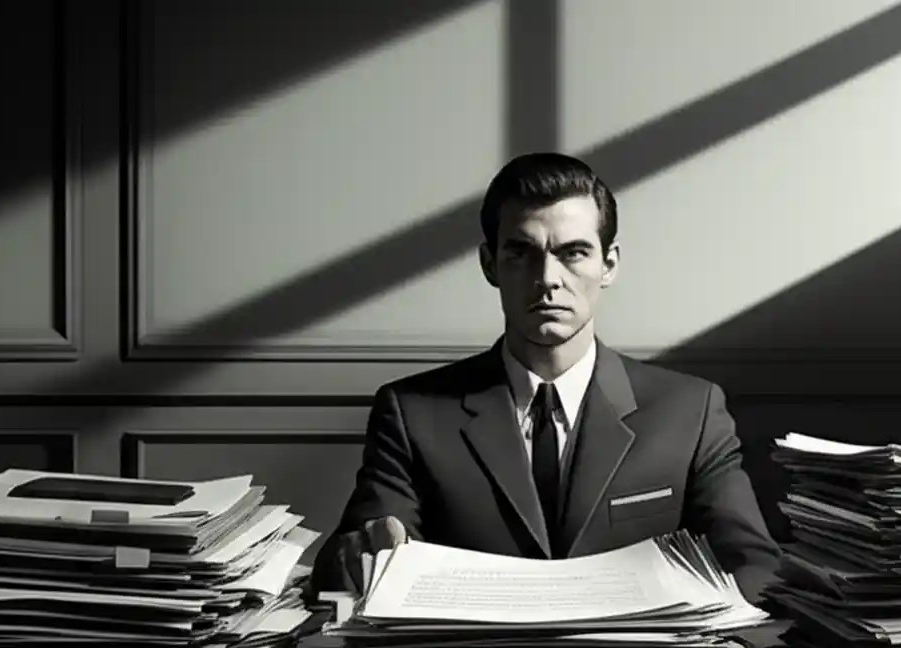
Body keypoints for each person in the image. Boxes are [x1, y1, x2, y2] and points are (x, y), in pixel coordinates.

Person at [329, 152, 780, 601]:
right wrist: (364, 554)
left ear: (609, 265)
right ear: (490, 265)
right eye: (521, 253)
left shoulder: (691, 411)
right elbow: (349, 561)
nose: (547, 278)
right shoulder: (411, 412)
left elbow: (753, 565)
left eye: (573, 253)